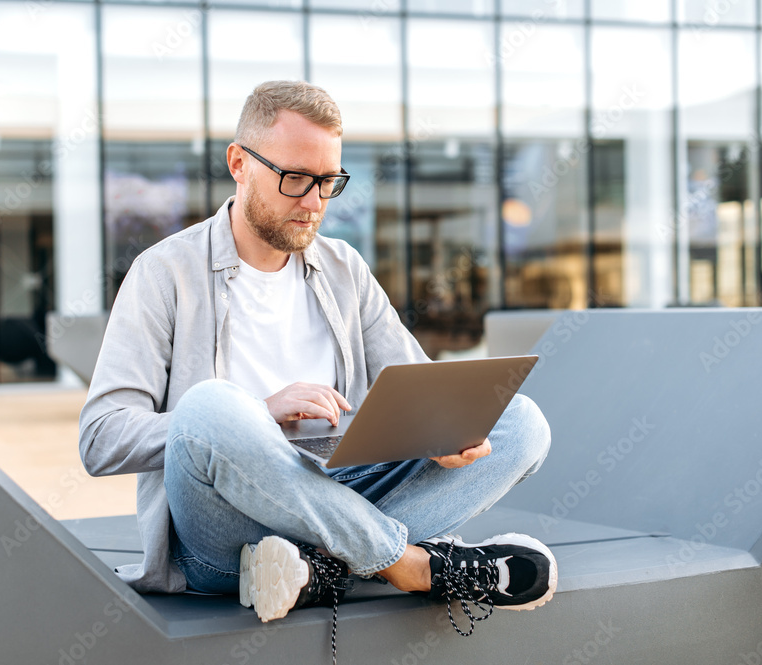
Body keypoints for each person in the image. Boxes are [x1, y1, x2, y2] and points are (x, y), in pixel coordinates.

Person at [79, 80, 556, 662]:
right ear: (239, 164)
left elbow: (419, 387)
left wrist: (446, 432)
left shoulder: (343, 268)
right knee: (212, 406)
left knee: (521, 422)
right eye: (295, 178)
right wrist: (259, 413)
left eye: (329, 181)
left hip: (343, 488)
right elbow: (100, 437)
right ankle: (410, 566)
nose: (313, 202)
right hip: (226, 536)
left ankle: (314, 571)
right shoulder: (163, 273)